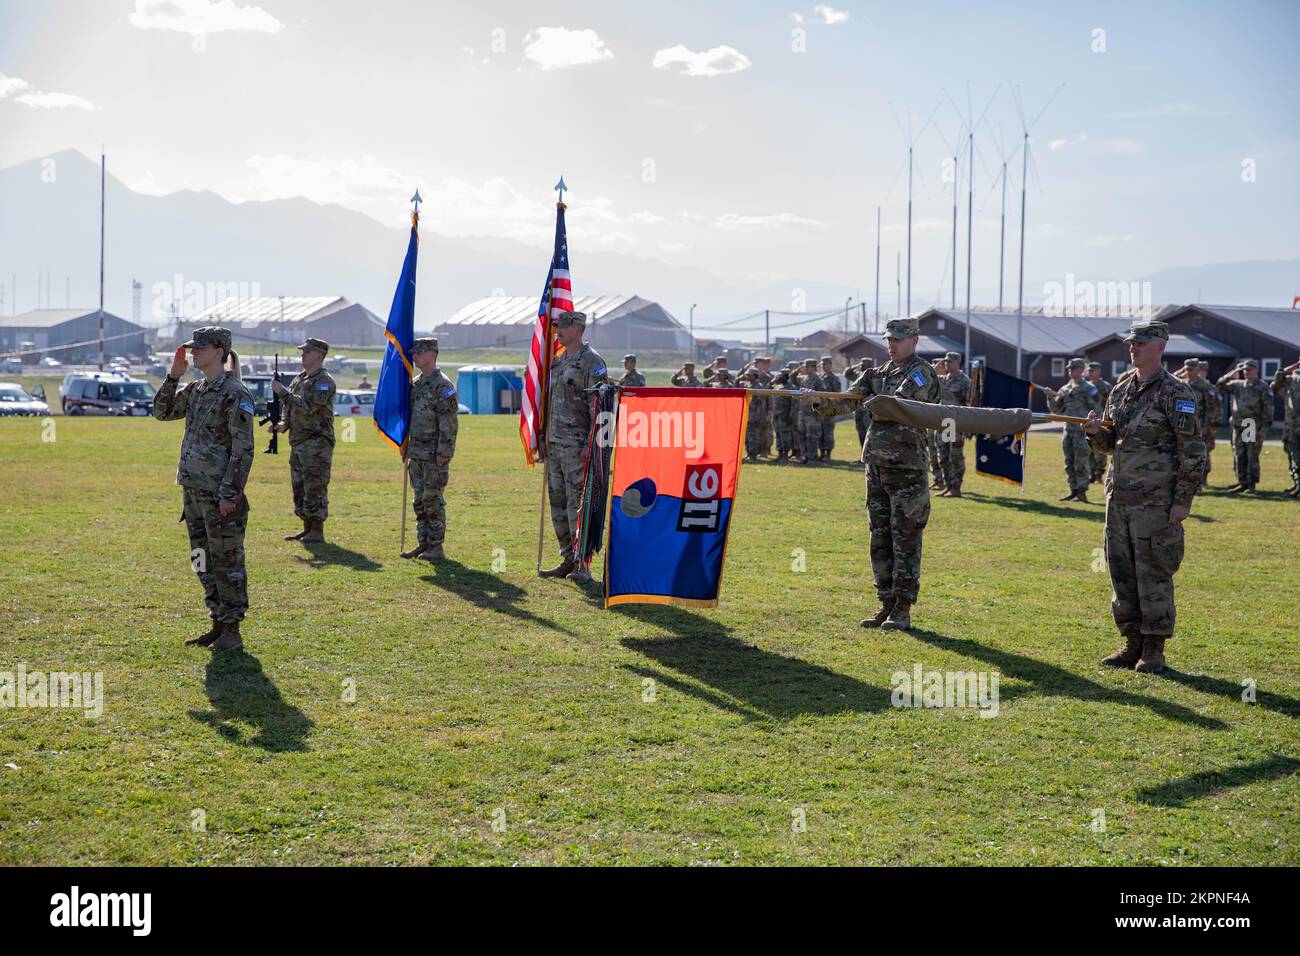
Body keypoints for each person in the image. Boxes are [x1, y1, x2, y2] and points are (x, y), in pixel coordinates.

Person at [1084, 321, 1205, 674]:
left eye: (1140, 343)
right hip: (1119, 498)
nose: (1133, 348)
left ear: (1160, 347)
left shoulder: (1175, 393)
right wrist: (1094, 433)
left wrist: (1183, 500)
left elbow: (1193, 451)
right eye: (1131, 343)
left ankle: (1154, 649)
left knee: (1153, 572)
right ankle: (1131, 641)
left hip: (1156, 501)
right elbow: (1112, 442)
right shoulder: (1121, 391)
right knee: (1121, 571)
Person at [816, 318, 940, 630]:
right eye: (889, 339)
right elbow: (848, 403)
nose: (892, 344)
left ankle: (903, 607)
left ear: (914, 340)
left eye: (898, 339)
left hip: (907, 467)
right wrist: (820, 400)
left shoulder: (920, 372)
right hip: (876, 466)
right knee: (880, 537)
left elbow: (898, 404)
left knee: (905, 537)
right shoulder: (877, 373)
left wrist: (869, 400)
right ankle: (885, 603)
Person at [151, 326, 255, 653]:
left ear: (219, 352)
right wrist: (173, 377)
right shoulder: (196, 389)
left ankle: (232, 631)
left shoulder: (234, 393)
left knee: (226, 561)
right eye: (193, 348)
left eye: (200, 348)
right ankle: (217, 623)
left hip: (219, 495)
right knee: (201, 560)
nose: (194, 353)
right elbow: (162, 412)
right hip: (193, 492)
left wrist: (230, 494)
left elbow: (243, 449)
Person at [538, 311, 610, 583]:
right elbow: (549, 402)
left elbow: (602, 408)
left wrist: (592, 445)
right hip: (555, 444)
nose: (559, 331)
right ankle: (567, 558)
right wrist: (543, 438)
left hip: (579, 445)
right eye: (558, 326)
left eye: (565, 326)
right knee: (557, 505)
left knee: (578, 505)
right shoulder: (557, 361)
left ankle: (583, 563)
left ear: (579, 328)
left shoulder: (592, 362)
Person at [400, 338, 459, 562]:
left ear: (432, 354)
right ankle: (423, 542)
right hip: (416, 453)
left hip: (434, 454)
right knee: (419, 500)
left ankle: (436, 546)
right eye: (414, 352)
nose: (414, 356)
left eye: (419, 352)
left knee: (432, 500)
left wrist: (445, 452)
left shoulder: (442, 385)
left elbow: (449, 422)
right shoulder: (415, 383)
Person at [274, 337, 336, 544]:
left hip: (317, 443)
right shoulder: (299, 379)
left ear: (319, 355)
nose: (302, 355)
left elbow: (309, 406)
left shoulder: (324, 382)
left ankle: (317, 529)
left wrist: (282, 392)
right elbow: (289, 408)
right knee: (299, 485)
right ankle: (306, 527)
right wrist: (284, 423)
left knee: (315, 485)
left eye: (307, 352)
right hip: (299, 442)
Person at [1042, 357, 1102, 503]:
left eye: (1073, 368)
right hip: (1068, 431)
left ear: (1081, 370)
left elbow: (1097, 407)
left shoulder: (1089, 388)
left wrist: (1092, 425)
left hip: (1082, 432)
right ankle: (1073, 490)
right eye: (1069, 368)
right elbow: (1057, 409)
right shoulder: (1065, 389)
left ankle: (1082, 493)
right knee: (1069, 462)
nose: (1070, 370)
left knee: (1081, 462)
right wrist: (1050, 397)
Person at [1216, 359, 1271, 493]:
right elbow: (1219, 386)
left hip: (1251, 425)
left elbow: (1268, 409)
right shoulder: (1237, 385)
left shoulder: (1262, 387)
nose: (1246, 372)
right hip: (1237, 424)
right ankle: (1242, 482)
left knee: (1251, 455)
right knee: (1239, 454)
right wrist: (1234, 372)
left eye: (1249, 370)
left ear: (1256, 371)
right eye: (1245, 370)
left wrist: (1264, 428)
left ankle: (1251, 484)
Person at [1176, 359, 1219, 487]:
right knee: (1184, 453)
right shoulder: (1181, 384)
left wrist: (1210, 426)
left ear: (1198, 370)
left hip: (1201, 425)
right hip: (1184, 425)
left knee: (1201, 453)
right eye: (1186, 369)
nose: (1188, 372)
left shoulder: (1205, 386)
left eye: (1191, 369)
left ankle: (1202, 480)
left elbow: (1213, 407)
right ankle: (1187, 480)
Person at [936, 351, 973, 497]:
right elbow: (928, 379)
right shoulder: (942, 379)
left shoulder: (964, 381)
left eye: (950, 361)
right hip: (943, 423)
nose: (946, 364)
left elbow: (969, 404)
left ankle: (956, 487)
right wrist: (936, 368)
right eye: (945, 361)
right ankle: (948, 485)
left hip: (956, 424)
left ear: (958, 363)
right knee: (943, 456)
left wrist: (968, 426)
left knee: (955, 456)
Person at [1271, 355, 1300, 497]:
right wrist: (1295, 365)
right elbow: (1275, 385)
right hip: (1291, 425)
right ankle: (1297, 483)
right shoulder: (1291, 380)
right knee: (1292, 455)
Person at [742, 356, 774, 461]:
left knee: (754, 436)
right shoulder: (748, 385)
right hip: (748, 414)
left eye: (749, 375)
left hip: (755, 416)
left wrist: (759, 416)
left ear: (754, 376)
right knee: (748, 435)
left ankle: (753, 454)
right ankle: (749, 452)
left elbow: (762, 403)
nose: (747, 377)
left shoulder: (758, 386)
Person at [1086, 361, 1114, 484]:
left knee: (1100, 451)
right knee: (1089, 449)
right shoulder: (1085, 386)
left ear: (1099, 371)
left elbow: (1112, 403)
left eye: (1093, 370)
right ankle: (1092, 472)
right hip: (1088, 421)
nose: (1090, 373)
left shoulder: (1106, 386)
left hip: (1101, 421)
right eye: (1089, 370)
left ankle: (1099, 473)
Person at [793, 358, 823, 464]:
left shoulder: (818, 380)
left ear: (813, 368)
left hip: (812, 414)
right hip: (803, 412)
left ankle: (813, 457)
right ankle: (805, 456)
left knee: (812, 436)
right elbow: (792, 378)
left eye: (807, 366)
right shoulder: (804, 379)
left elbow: (822, 398)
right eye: (804, 366)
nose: (804, 368)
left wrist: (819, 413)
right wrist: (797, 369)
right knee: (802, 434)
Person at [817, 355, 840, 460]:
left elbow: (837, 395)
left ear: (830, 365)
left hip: (830, 409)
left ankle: (828, 454)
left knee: (828, 432)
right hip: (820, 409)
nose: (823, 367)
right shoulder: (820, 378)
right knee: (820, 432)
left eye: (825, 364)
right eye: (822, 365)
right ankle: (821, 453)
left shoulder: (834, 379)